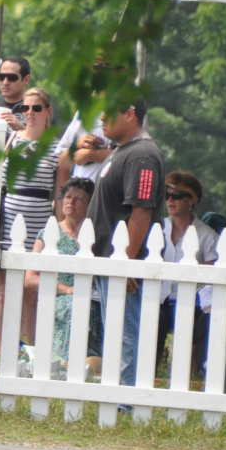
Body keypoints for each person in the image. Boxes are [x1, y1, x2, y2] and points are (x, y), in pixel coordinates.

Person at [0, 88, 70, 346]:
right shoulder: (10, 140)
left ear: (48, 111)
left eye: (36, 108)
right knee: (4, 292)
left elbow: (61, 194)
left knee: (32, 292)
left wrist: (62, 231)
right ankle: (3, 349)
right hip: (7, 220)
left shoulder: (57, 148)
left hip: (38, 220)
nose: (29, 113)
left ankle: (31, 350)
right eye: (25, 108)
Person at [88, 99, 165, 392]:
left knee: (127, 335)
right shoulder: (125, 151)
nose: (102, 117)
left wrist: (126, 262)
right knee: (119, 333)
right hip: (113, 261)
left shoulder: (142, 155)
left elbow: (141, 210)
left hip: (126, 265)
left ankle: (127, 403)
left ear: (130, 114)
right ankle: (120, 397)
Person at [29, 178, 99, 378]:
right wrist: (66, 289)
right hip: (59, 298)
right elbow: (30, 279)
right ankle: (67, 363)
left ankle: (90, 361)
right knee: (73, 304)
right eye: (68, 197)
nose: (71, 202)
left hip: (93, 299)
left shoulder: (97, 236)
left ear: (89, 205)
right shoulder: (48, 234)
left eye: (79, 199)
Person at [158, 172, 218, 374]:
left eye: (177, 195)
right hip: (156, 297)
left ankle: (186, 372)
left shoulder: (207, 235)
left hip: (190, 301)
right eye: (167, 195)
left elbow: (212, 278)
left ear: (192, 200)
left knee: (186, 318)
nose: (170, 200)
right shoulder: (156, 228)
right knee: (153, 318)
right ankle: (147, 372)